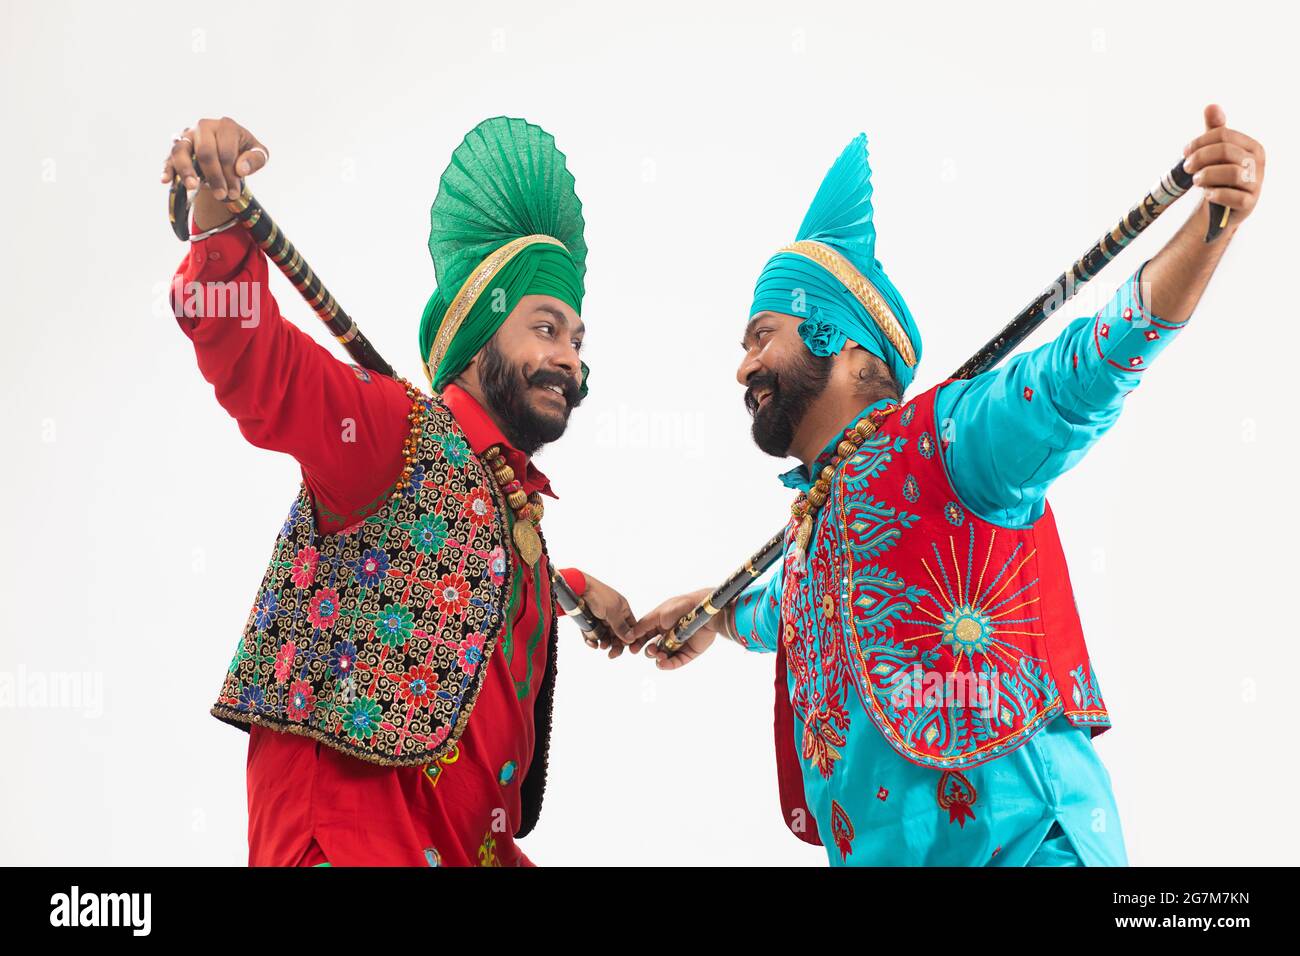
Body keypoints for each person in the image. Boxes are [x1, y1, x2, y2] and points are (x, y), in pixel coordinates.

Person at [630, 105, 1265, 866]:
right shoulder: (809, 545)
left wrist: (1210, 228)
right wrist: (713, 617)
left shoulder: (949, 443)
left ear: (835, 335)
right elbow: (786, 615)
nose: (742, 367)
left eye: (763, 335)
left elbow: (1077, 377)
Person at [162, 115, 636, 867]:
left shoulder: (515, 529)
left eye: (578, 341)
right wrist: (219, 223)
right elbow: (260, 369)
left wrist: (567, 590)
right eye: (546, 327)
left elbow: (455, 574)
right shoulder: (391, 431)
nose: (569, 359)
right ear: (480, 333)